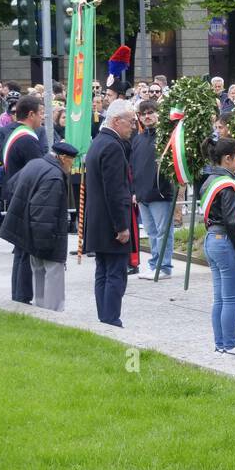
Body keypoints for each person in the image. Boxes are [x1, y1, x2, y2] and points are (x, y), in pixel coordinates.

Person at [1, 141, 77, 311]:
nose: (72, 166)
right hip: (44, 237)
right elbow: (44, 212)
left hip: (29, 233)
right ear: (63, 158)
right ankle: (54, 317)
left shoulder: (35, 164)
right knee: (53, 278)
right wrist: (44, 245)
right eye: (72, 161)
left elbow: (12, 185)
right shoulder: (54, 177)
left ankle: (41, 314)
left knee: (39, 278)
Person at [83, 100, 138, 327]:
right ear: (116, 121)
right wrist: (122, 226)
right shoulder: (113, 147)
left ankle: (104, 317)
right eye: (131, 122)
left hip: (98, 220)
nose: (133, 126)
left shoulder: (99, 142)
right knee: (115, 273)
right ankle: (111, 319)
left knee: (103, 272)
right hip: (111, 223)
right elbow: (115, 191)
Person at [202, 137, 235, 359]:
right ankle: (231, 345)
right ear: (227, 159)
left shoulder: (209, 179)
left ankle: (221, 343)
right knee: (231, 299)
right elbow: (233, 223)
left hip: (211, 239)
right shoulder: (227, 185)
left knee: (220, 298)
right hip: (226, 241)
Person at [0, 95, 45, 303]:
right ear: (31, 114)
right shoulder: (27, 138)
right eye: (41, 113)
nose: (43, 117)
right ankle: (22, 295)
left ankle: (19, 294)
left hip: (17, 195)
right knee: (25, 250)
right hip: (25, 198)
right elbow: (37, 171)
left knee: (21, 250)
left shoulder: (15, 133)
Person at [131, 99, 175, 280]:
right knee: (151, 233)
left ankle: (164, 266)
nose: (147, 116)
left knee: (163, 231)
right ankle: (154, 263)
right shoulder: (138, 139)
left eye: (151, 112)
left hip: (160, 192)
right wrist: (134, 192)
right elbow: (133, 166)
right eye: (143, 114)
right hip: (142, 194)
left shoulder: (166, 136)